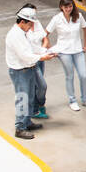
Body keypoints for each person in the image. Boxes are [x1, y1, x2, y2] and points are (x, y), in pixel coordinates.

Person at [6, 7, 56, 140]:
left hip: (29, 69)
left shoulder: (23, 32)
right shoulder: (15, 35)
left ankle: (27, 122)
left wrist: (45, 52)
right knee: (22, 98)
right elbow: (24, 55)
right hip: (20, 71)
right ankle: (20, 128)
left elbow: (32, 48)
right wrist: (42, 58)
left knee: (29, 97)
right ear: (22, 21)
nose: (31, 26)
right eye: (30, 24)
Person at [47, 0, 86, 111]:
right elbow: (45, 34)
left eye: (70, 6)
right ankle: (72, 100)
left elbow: (85, 29)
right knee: (70, 76)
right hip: (63, 52)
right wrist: (51, 50)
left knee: (83, 75)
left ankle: (85, 99)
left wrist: (85, 45)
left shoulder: (78, 16)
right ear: (61, 7)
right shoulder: (56, 19)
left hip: (77, 50)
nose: (68, 9)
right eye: (66, 7)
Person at [20, 2, 49, 121]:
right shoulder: (22, 29)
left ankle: (39, 105)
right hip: (31, 61)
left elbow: (45, 38)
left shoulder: (36, 23)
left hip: (40, 58)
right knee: (34, 87)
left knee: (40, 86)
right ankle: (31, 113)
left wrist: (44, 50)